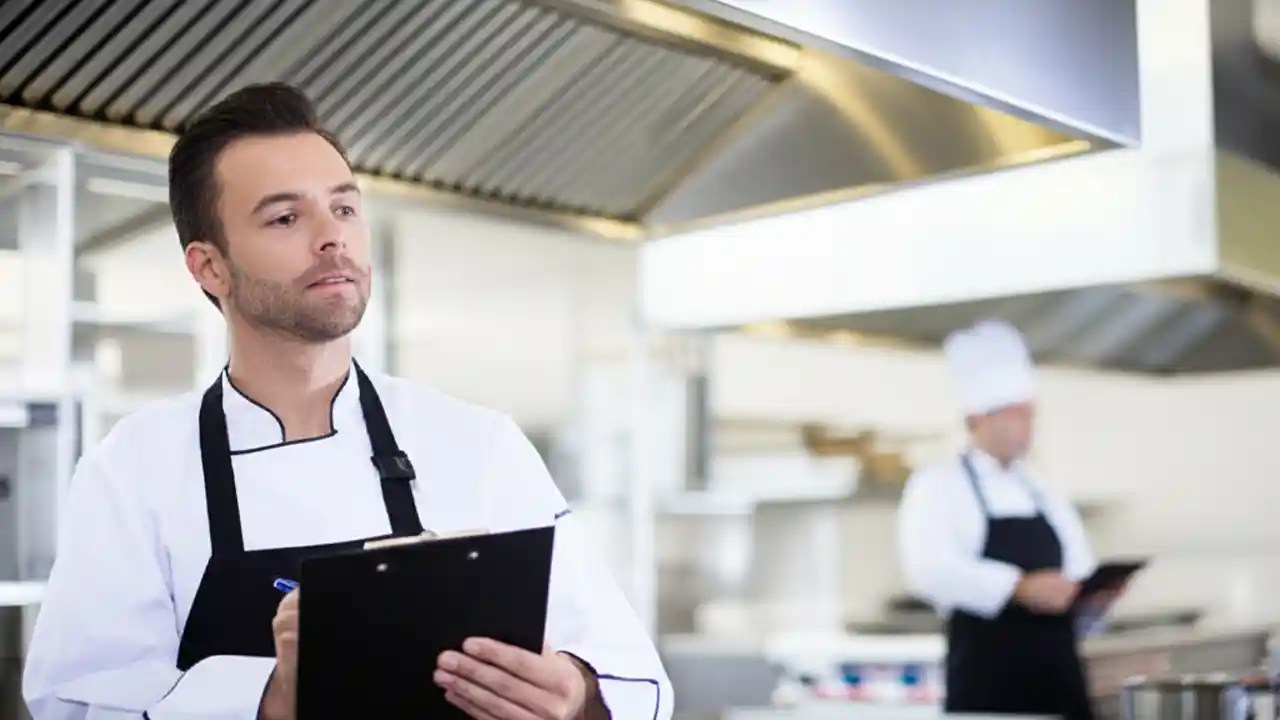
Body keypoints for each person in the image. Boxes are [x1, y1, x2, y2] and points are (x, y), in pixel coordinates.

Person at [23, 83, 671, 720]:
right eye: (285, 218)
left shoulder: (479, 446)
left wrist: (576, 693)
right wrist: (272, 697)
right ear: (209, 268)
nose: (331, 238)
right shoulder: (134, 470)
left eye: (344, 208)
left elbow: (632, 677)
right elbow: (77, 705)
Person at [896, 320, 1100, 719]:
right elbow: (929, 570)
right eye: (1017, 415)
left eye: (1030, 415)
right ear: (978, 419)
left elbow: (1079, 561)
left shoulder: (1040, 487)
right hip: (989, 684)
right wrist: (1018, 588)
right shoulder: (938, 484)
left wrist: (1091, 592)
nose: (1028, 427)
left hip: (1059, 677)